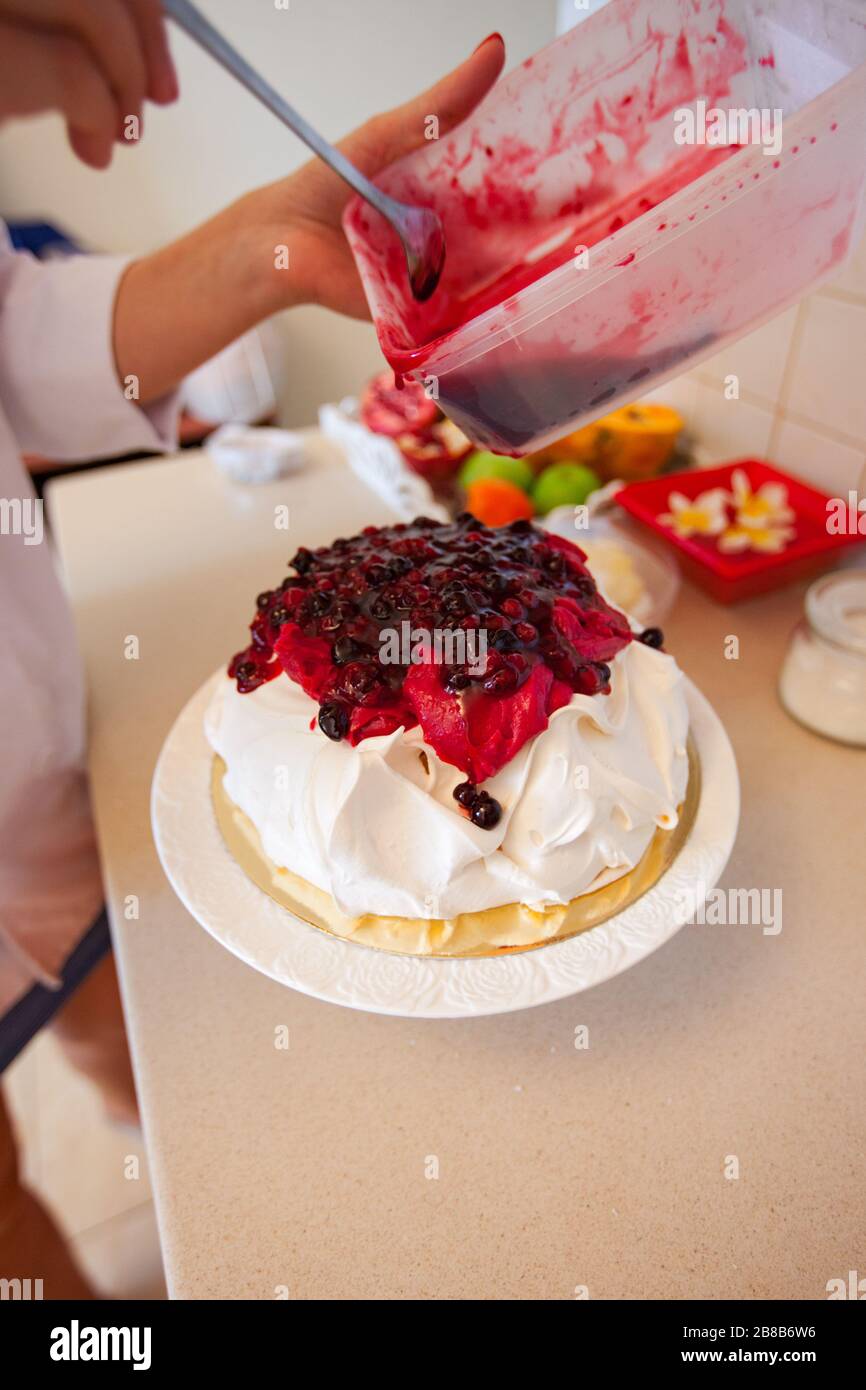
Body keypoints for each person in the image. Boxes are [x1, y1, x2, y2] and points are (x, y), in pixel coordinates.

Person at [0, 0, 505, 1297]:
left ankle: (172, 1182)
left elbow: (20, 344)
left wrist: (262, 253)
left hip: (39, 779)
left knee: (141, 1053)